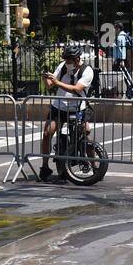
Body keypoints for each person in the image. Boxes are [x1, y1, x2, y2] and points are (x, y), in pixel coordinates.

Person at [38, 45, 94, 181]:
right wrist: (45, 77)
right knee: (47, 133)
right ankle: (45, 166)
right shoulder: (62, 66)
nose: (67, 63)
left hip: (78, 108)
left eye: (69, 60)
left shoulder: (87, 71)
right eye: (66, 60)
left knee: (85, 133)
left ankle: (94, 165)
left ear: (77, 59)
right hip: (59, 107)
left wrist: (56, 82)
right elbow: (50, 85)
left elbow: (77, 89)